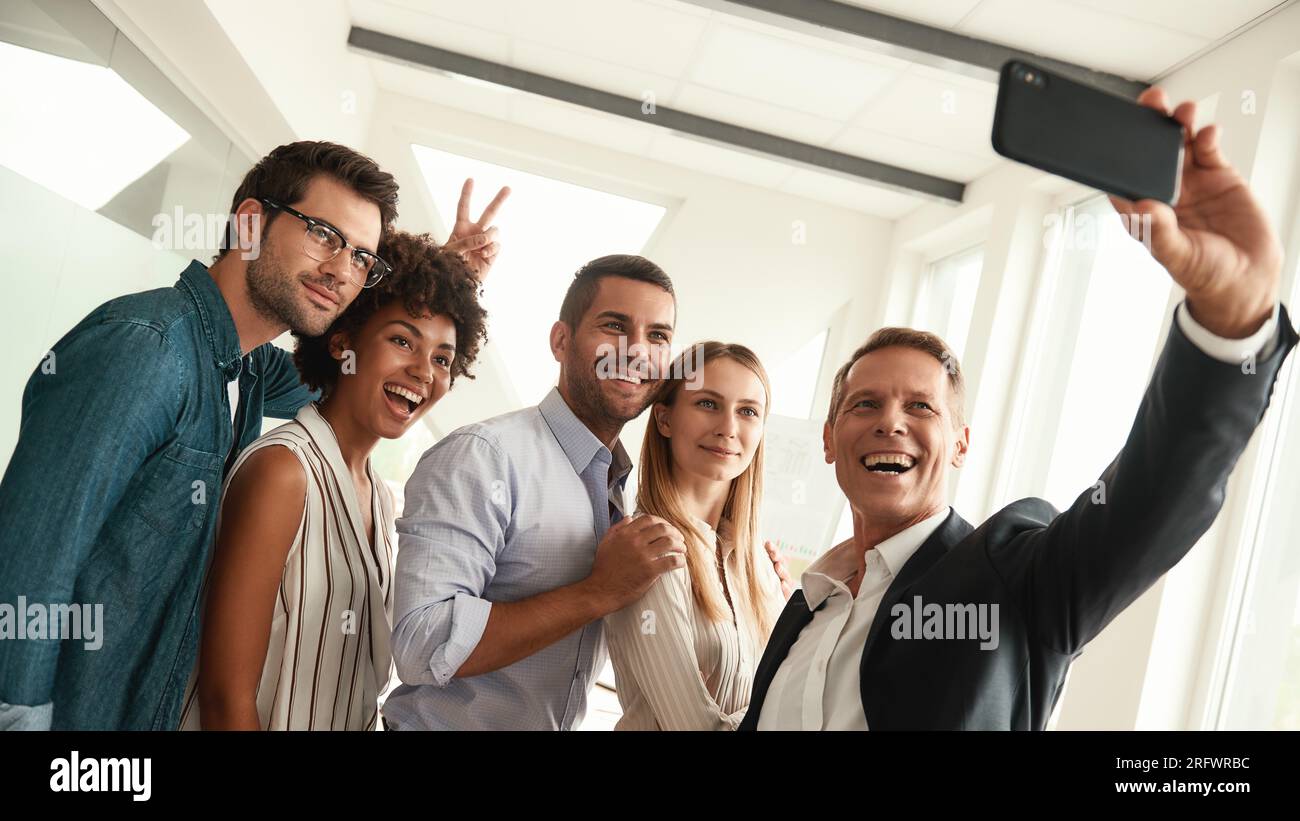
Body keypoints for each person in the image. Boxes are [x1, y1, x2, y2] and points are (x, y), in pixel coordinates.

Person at [741, 88, 1296, 730]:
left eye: (921, 406)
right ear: (831, 439)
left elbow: (1152, 500)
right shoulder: (809, 603)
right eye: (865, 403)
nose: (890, 421)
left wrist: (1231, 312)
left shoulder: (1010, 578)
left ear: (960, 444)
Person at [0, 139, 506, 730]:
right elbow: (31, 561)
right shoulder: (148, 347)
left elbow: (353, 381)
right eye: (323, 234)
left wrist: (437, 281)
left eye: (362, 258)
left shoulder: (241, 370)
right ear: (249, 223)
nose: (343, 271)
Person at [177, 232, 488, 730]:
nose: (423, 371)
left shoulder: (383, 500)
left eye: (442, 359)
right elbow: (224, 699)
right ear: (343, 341)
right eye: (403, 340)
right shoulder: (284, 472)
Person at [382, 254, 689, 730]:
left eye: (658, 336)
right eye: (614, 325)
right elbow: (421, 644)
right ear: (561, 341)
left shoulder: (620, 486)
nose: (636, 350)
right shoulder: (484, 456)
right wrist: (597, 592)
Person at [605, 341, 786, 730]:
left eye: (748, 411)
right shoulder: (648, 550)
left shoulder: (760, 566)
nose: (728, 428)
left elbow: (789, 683)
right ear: (665, 420)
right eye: (708, 403)